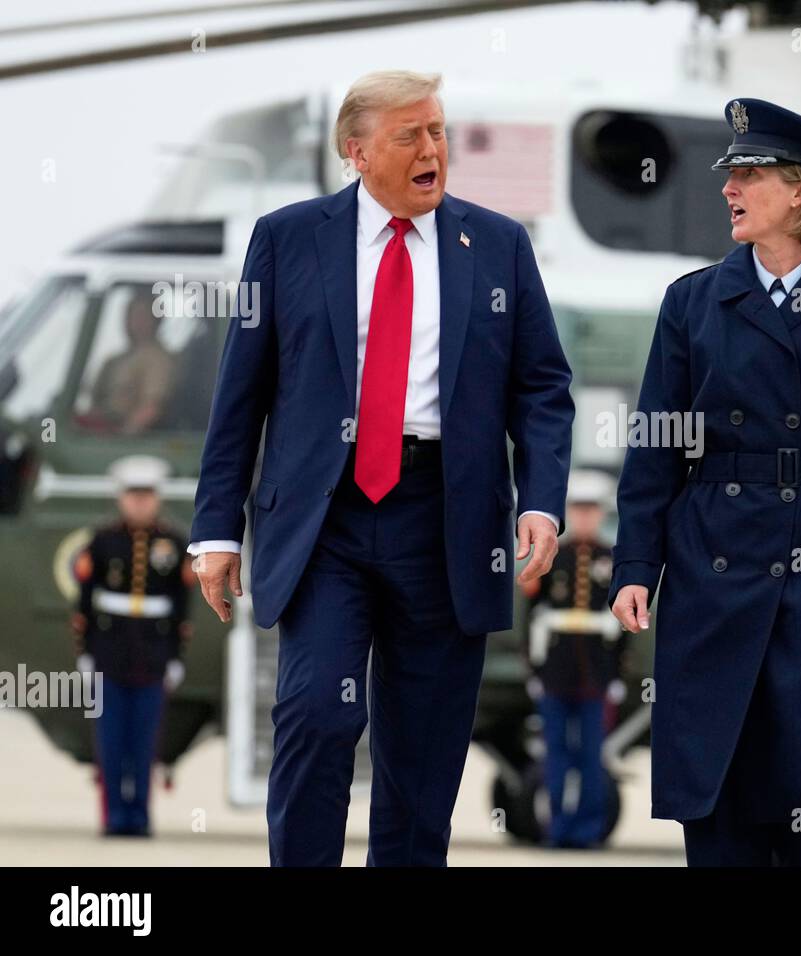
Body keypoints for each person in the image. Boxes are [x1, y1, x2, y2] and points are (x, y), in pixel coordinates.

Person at [188, 70, 574, 867]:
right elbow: (242, 393)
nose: (434, 149)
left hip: (447, 519)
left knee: (422, 756)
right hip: (326, 518)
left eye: (438, 132)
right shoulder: (287, 238)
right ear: (357, 153)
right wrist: (214, 529)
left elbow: (542, 387)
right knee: (316, 716)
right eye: (412, 136)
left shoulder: (498, 245)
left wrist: (541, 501)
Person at [609, 98, 801, 867]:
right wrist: (635, 565)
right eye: (730, 175)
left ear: (799, 191)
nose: (729, 189)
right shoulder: (692, 301)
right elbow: (658, 442)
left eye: (747, 174)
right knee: (712, 772)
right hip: (709, 556)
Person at [71, 455, 194, 837]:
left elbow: (180, 609)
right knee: (110, 743)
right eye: (133, 495)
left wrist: (174, 658)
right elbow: (84, 603)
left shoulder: (172, 544)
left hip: (153, 655)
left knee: (144, 743)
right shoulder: (102, 540)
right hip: (109, 651)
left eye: (147, 495)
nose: (140, 502)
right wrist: (86, 651)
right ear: (121, 498)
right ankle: (113, 817)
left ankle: (139, 816)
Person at [522, 469, 626, 848]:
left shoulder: (613, 559)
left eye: (591, 510)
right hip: (555, 671)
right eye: (578, 509)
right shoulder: (554, 557)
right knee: (555, 757)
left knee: (592, 758)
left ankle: (589, 830)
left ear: (601, 514)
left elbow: (623, 624)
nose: (585, 517)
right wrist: (533, 669)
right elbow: (530, 616)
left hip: (596, 675)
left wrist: (617, 676)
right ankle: (558, 829)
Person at [89, 295, 177, 435]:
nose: (136, 322)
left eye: (143, 316)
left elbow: (151, 407)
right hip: (102, 426)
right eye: (133, 315)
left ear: (156, 320)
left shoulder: (157, 359)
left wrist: (122, 435)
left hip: (124, 433)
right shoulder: (115, 360)